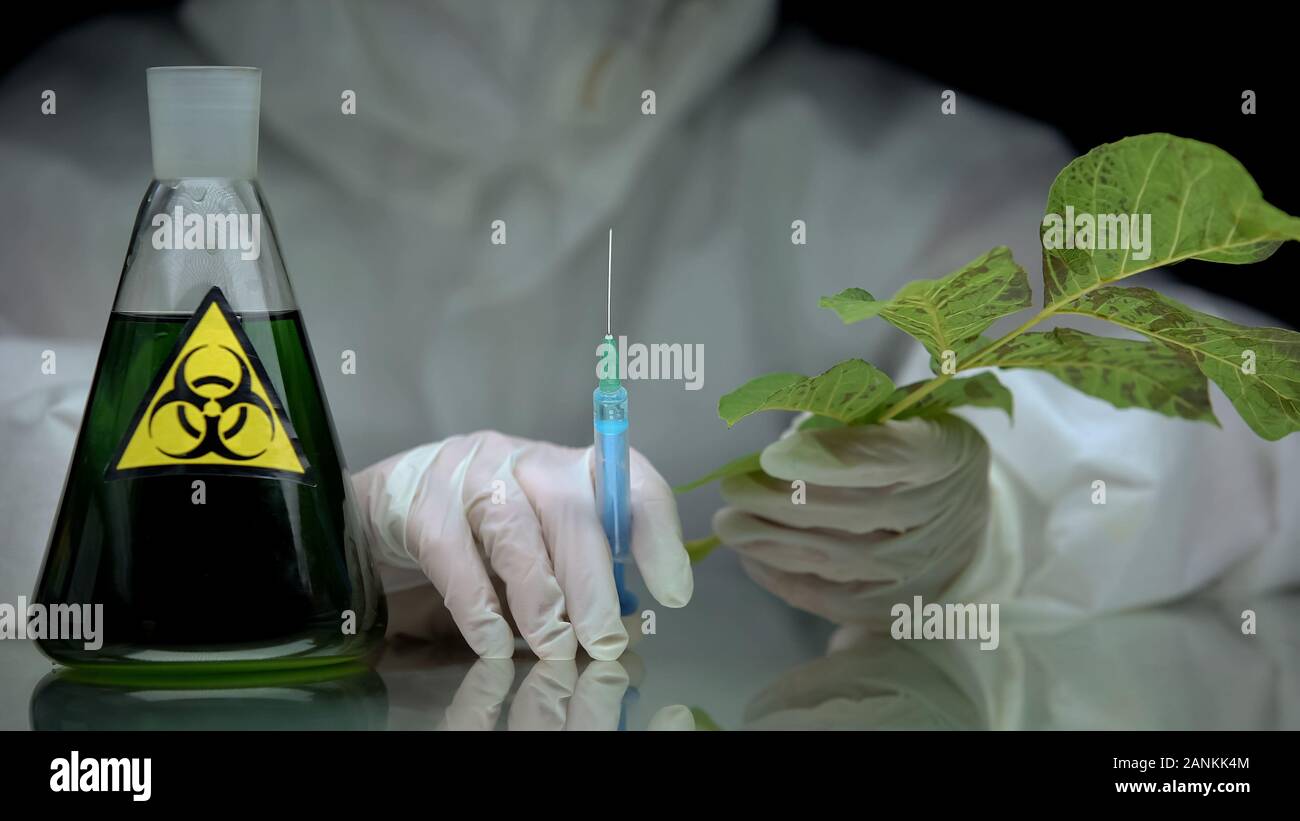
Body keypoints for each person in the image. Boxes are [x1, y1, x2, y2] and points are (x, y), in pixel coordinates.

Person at [2, 0, 1297, 662]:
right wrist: (304, 541)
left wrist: (1009, 481)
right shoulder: (72, 157)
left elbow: (1235, 389)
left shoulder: (850, 157)